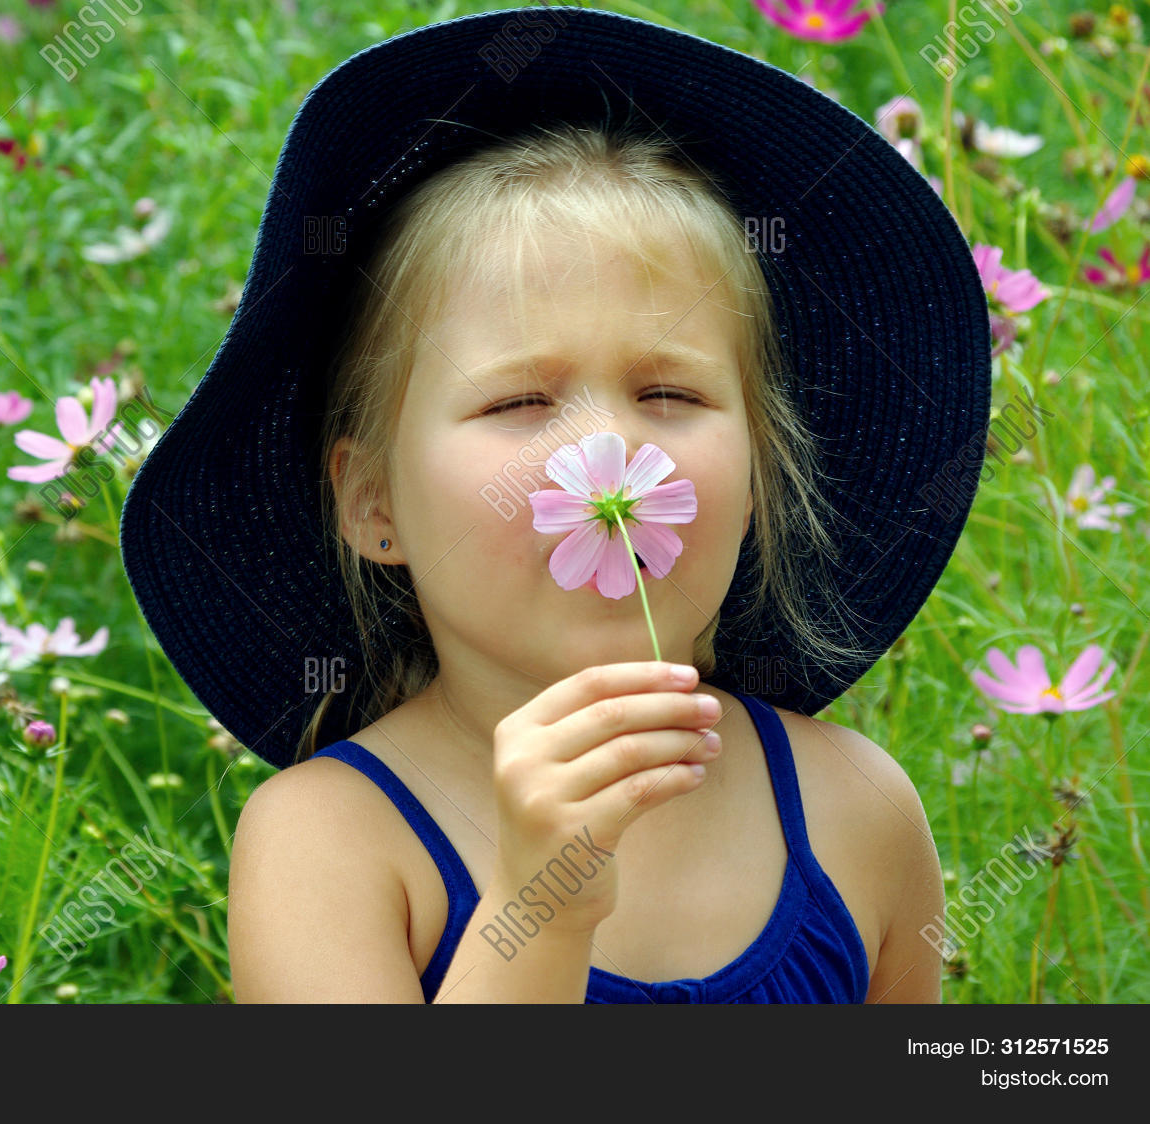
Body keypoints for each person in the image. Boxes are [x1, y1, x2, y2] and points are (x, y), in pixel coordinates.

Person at [119, 6, 993, 1002]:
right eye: (519, 402)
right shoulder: (327, 842)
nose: (606, 455)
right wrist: (541, 903)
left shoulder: (857, 808)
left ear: (759, 475)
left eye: (671, 395)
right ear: (375, 505)